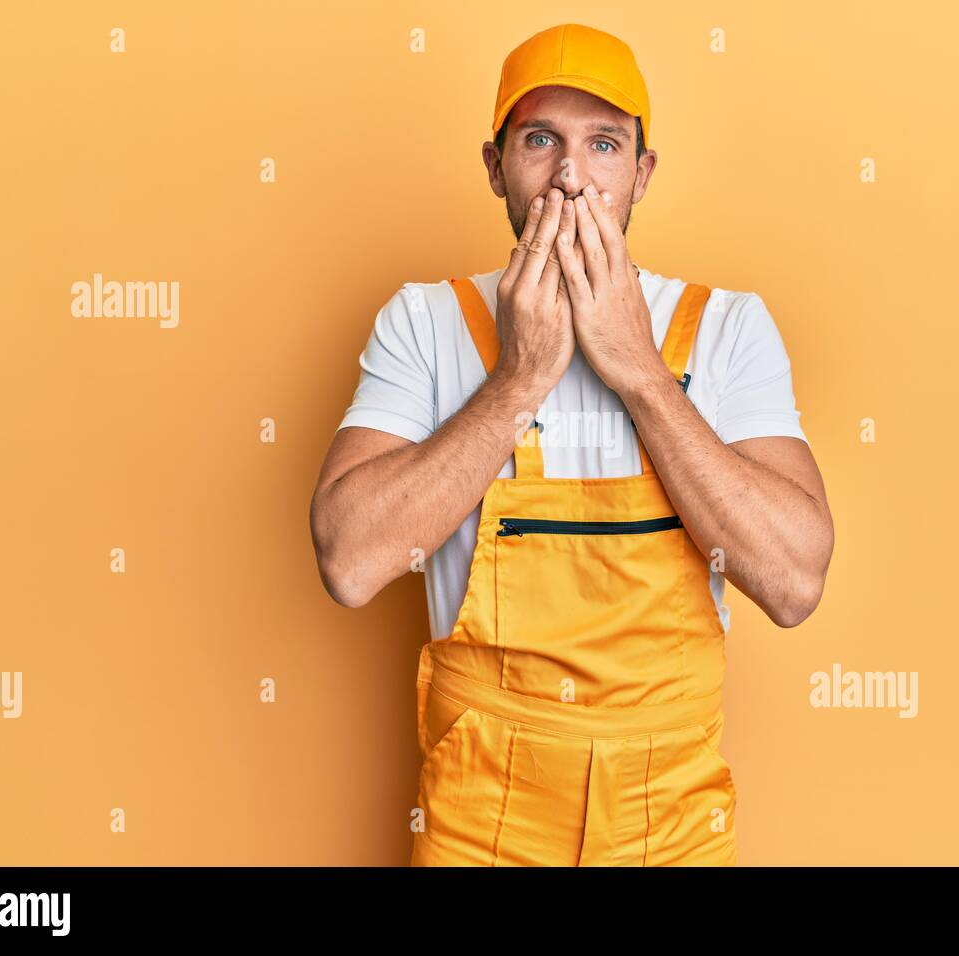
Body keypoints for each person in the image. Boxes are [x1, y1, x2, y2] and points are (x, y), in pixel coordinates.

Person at [310, 23, 834, 866]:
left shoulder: (728, 329)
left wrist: (641, 372)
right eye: (540, 139)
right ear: (495, 166)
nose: (570, 176)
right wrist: (516, 381)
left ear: (642, 173)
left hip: (670, 818)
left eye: (604, 144)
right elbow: (350, 563)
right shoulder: (426, 321)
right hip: (481, 817)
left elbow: (794, 582)